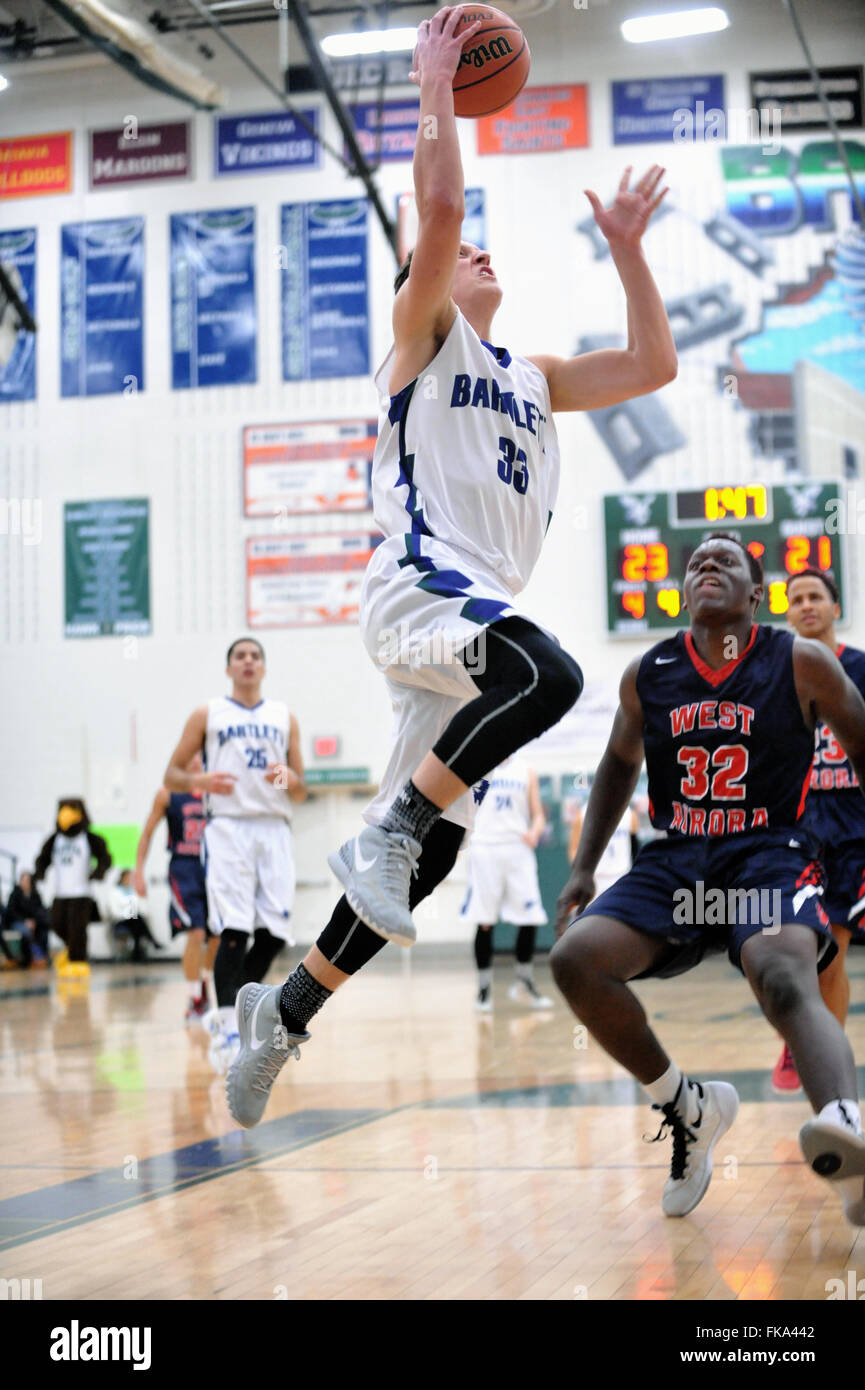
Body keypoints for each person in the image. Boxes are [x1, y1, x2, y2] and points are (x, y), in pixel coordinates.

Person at [225, 6, 677, 1130]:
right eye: (459, 252)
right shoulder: (420, 340)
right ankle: (381, 831)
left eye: (483, 249)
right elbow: (436, 209)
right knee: (557, 676)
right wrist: (433, 84)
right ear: (418, 284)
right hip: (417, 590)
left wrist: (628, 256)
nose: (478, 251)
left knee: (423, 871)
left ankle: (279, 1014)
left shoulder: (533, 374)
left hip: (464, 628)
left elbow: (653, 362)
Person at [551, 533, 865, 1227]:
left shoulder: (800, 662)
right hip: (678, 860)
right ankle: (685, 1108)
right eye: (696, 562)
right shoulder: (649, 671)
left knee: (782, 977)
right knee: (575, 960)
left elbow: (862, 741)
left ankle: (846, 1131)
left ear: (756, 595)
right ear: (683, 591)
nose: (707, 567)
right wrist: (582, 866)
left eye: (726, 561)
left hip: (768, 852)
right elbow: (616, 762)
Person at [164, 637, 306, 1070]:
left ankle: (235, 1010)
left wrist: (286, 778)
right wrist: (202, 783)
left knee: (275, 932)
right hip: (227, 827)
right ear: (229, 669)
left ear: (264, 667)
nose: (248, 662)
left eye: (255, 656)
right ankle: (227, 1029)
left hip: (274, 828)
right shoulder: (208, 714)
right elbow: (171, 775)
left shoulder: (284, 717)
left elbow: (300, 790)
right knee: (233, 929)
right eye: (240, 656)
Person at [771, 568, 865, 1092]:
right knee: (793, 949)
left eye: (816, 597)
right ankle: (802, 1031)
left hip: (850, 831)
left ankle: (828, 1065)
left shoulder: (859, 669)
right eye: (797, 599)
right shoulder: (777, 676)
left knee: (831, 956)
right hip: (795, 830)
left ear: (835, 608)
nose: (806, 605)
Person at [462, 757, 552, 1011]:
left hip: (518, 848)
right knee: (485, 920)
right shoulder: (478, 766)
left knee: (530, 917)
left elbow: (538, 816)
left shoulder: (526, 770)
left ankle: (523, 983)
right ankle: (483, 990)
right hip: (485, 849)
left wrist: (534, 832)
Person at [135, 755, 216, 1021]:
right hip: (184, 869)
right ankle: (194, 997)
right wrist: (139, 871)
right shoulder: (168, 794)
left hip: (213, 868)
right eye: (189, 755)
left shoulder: (214, 792)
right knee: (196, 933)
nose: (194, 760)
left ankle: (204, 984)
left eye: (198, 756)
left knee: (217, 935)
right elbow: (146, 834)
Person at [33, 799, 112, 979]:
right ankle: (71, 952)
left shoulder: (88, 838)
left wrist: (98, 872)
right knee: (56, 924)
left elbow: (105, 857)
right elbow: (43, 858)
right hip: (60, 892)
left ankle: (78, 961)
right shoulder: (55, 839)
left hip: (81, 893)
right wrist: (39, 872)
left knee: (78, 928)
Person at [108, 870, 164, 962]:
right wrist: (127, 914)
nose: (129, 880)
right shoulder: (115, 892)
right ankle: (152, 942)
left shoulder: (132, 891)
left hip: (133, 919)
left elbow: (138, 906)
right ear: (122, 878)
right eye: (127, 878)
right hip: (120, 920)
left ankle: (136, 954)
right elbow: (114, 911)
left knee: (137, 924)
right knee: (138, 921)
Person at [2, 871, 50, 969]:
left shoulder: (35, 895)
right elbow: (11, 912)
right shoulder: (14, 894)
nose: (26, 883)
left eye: (28, 880)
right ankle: (34, 957)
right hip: (17, 922)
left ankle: (42, 957)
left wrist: (35, 922)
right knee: (25, 931)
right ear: (20, 881)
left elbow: (40, 910)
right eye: (24, 880)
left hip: (33, 923)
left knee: (43, 929)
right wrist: (25, 922)